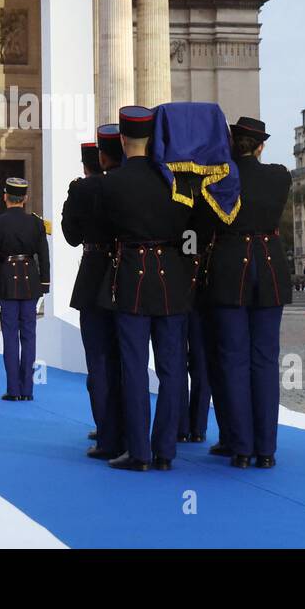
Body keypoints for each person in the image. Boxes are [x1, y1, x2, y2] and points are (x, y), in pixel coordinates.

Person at [95, 106, 196, 472]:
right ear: (152, 139)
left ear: (122, 140)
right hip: (171, 275)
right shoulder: (179, 182)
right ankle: (166, 450)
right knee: (173, 369)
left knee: (134, 368)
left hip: (132, 276)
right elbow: (189, 224)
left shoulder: (111, 183)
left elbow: (104, 231)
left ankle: (138, 452)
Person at [196, 116, 291, 469]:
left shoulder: (218, 180)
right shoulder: (280, 176)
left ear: (233, 145)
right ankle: (266, 449)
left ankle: (240, 445)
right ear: (262, 146)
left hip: (229, 271)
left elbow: (203, 227)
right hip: (268, 271)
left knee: (233, 360)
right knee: (265, 360)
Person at [60, 129, 123, 458]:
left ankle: (107, 432)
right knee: (127, 359)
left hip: (95, 272)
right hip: (129, 274)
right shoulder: (128, 185)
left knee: (98, 361)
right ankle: (130, 432)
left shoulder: (84, 189)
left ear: (99, 157)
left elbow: (71, 236)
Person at [0, 177, 50, 401]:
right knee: (29, 337)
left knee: (10, 338)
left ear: (5, 197)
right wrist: (44, 287)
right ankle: (28, 390)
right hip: (31, 283)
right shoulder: (36, 222)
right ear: (25, 198)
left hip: (7, 283)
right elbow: (43, 256)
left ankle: (13, 390)